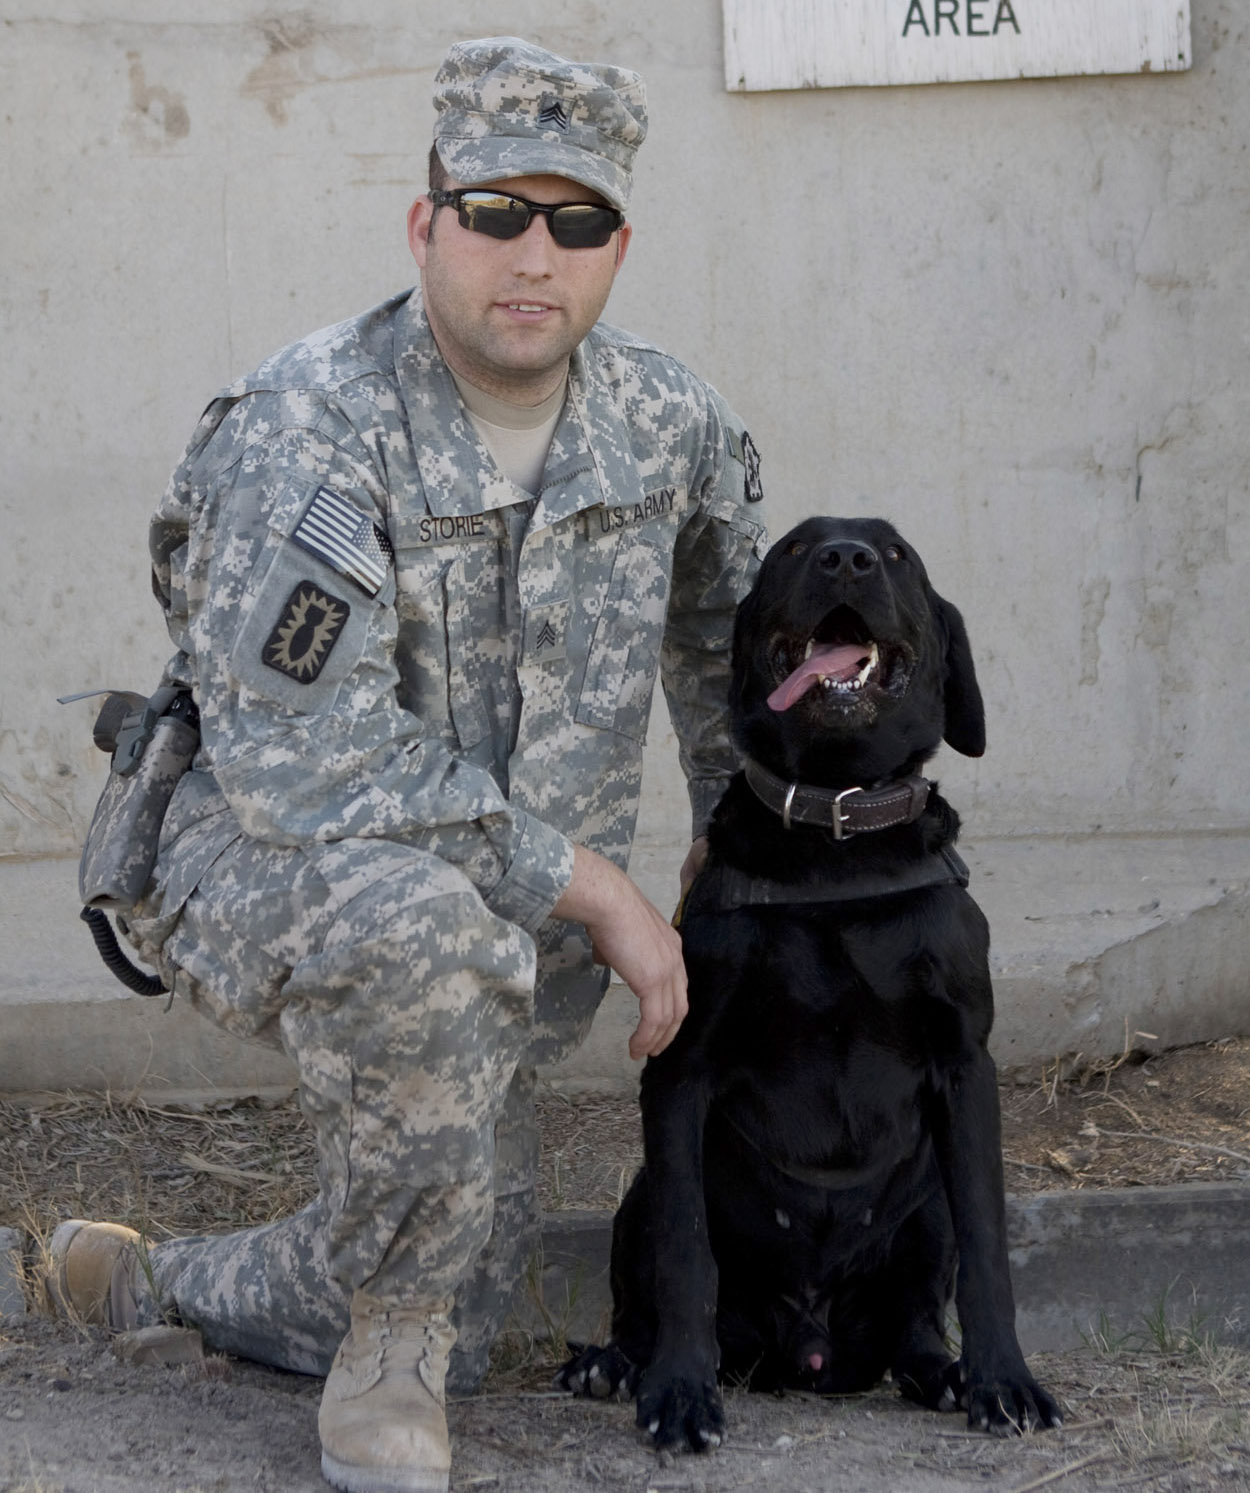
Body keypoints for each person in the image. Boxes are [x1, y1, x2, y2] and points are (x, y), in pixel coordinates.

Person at [50, 35, 766, 1493]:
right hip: (260, 857)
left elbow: (726, 628)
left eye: (574, 222)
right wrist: (601, 891)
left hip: (509, 916)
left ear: (615, 244)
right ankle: (382, 1375)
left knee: (466, 1273)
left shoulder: (666, 419)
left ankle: (159, 1281)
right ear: (425, 218)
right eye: (496, 209)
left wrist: (726, 820)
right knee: (425, 948)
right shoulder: (309, 426)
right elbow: (304, 762)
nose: (532, 253)